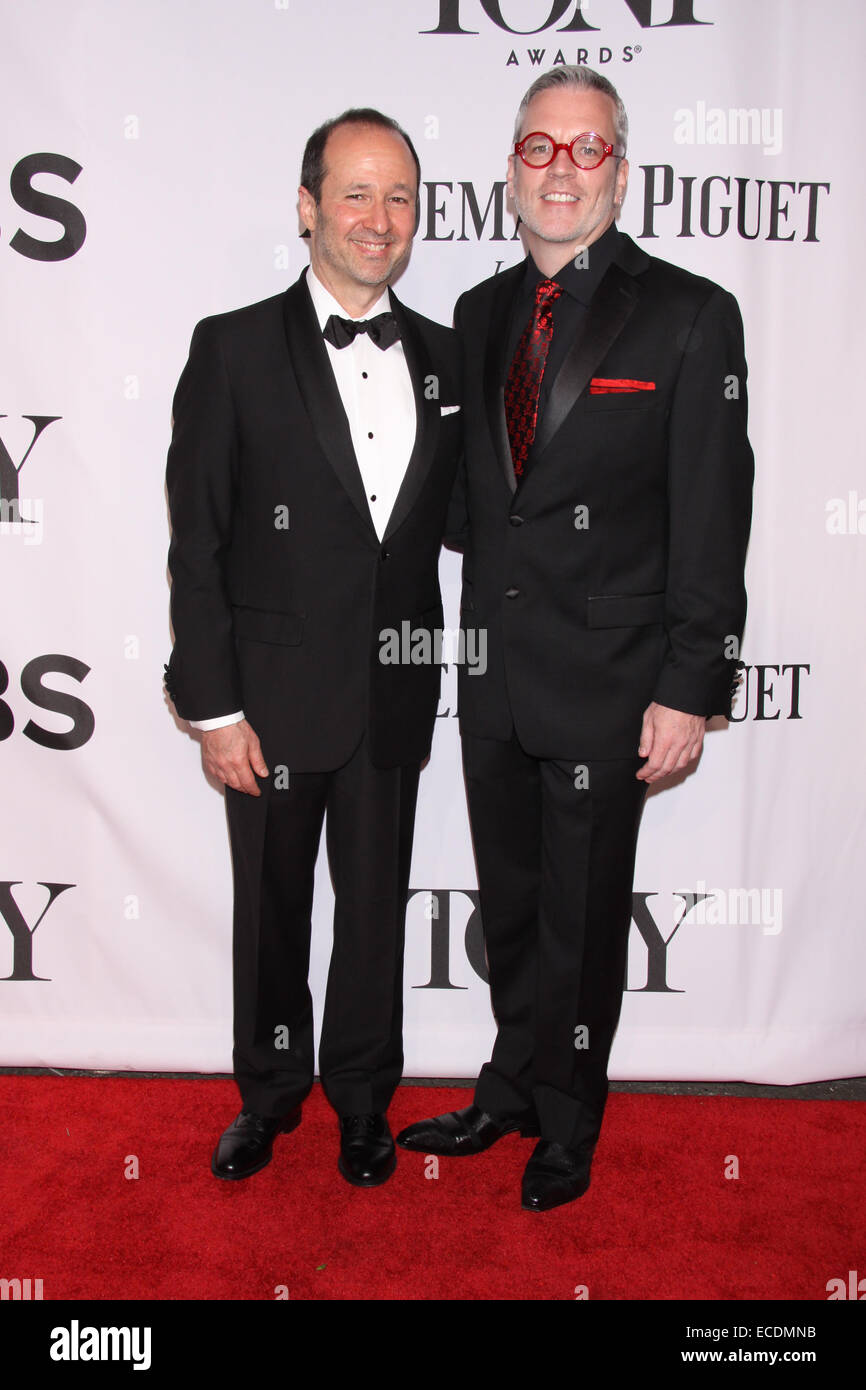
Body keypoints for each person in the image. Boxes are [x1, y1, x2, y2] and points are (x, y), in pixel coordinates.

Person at [397, 66, 753, 1211]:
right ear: (510, 170)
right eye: (538, 148)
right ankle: (508, 1083)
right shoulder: (481, 311)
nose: (560, 168)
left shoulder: (690, 313)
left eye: (584, 148)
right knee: (507, 904)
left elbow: (710, 513)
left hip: (611, 683)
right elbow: (470, 499)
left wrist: (689, 684)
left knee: (584, 914)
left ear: (620, 170)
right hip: (493, 675)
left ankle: (568, 1117)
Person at [164, 109, 461, 1188]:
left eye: (398, 198)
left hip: (391, 687)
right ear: (306, 207)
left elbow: (475, 514)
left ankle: (364, 1102)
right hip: (271, 698)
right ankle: (270, 1094)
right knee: (271, 910)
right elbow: (196, 539)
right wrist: (212, 705)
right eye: (355, 193)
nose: (378, 219)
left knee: (375, 914)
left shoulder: (444, 355)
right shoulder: (232, 347)